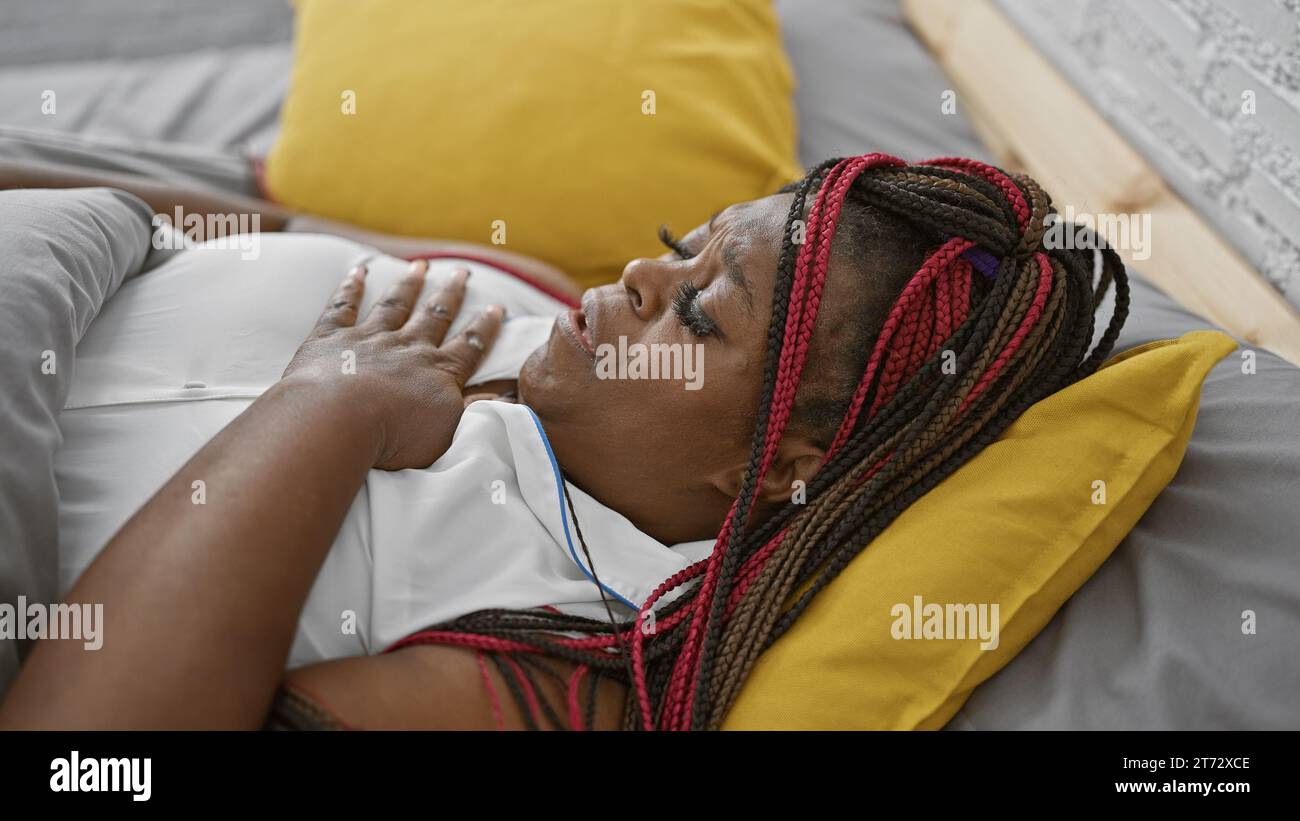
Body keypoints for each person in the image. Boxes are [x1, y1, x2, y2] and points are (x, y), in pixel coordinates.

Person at [0, 153, 1128, 730]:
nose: (639, 277)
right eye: (676, 247)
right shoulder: (516, 291)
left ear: (783, 463)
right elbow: (218, 225)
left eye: (699, 310)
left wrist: (328, 408)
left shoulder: (561, 649)